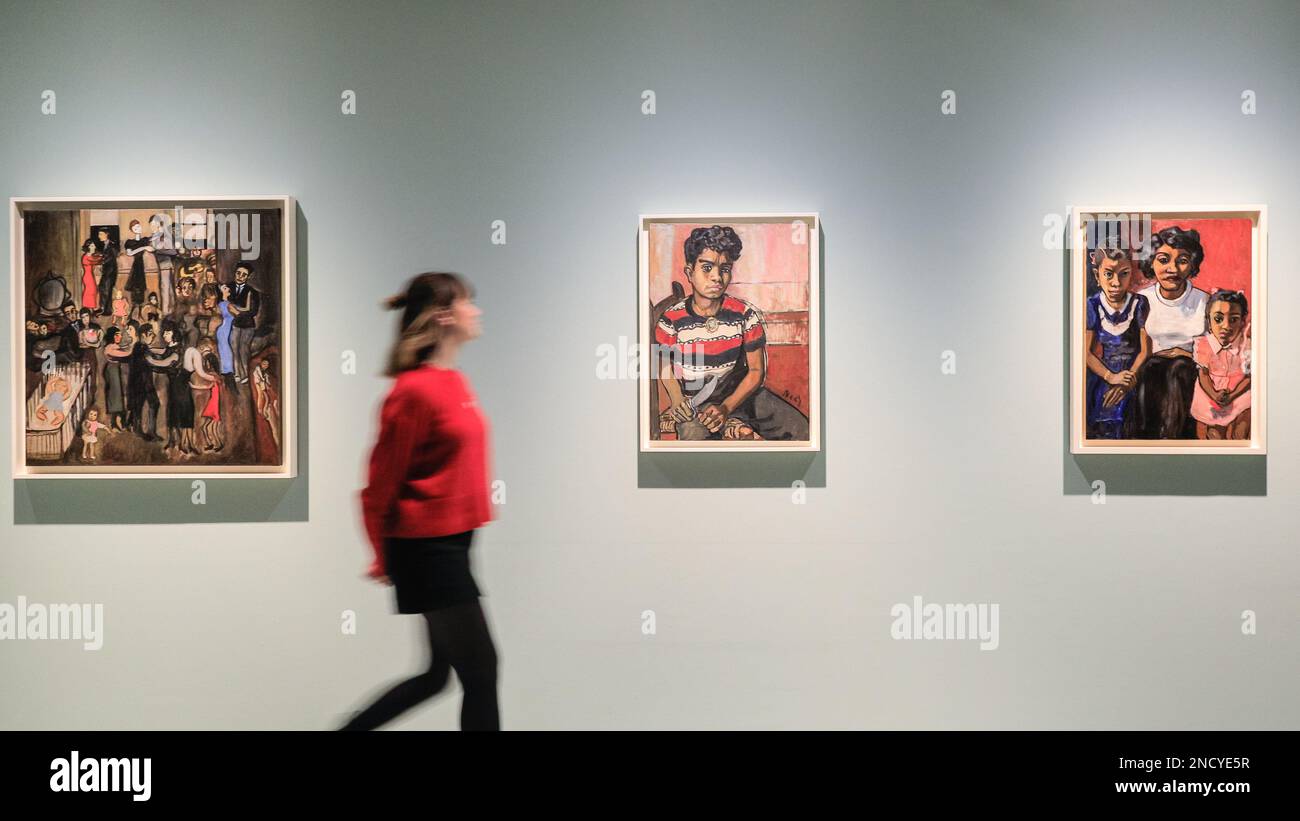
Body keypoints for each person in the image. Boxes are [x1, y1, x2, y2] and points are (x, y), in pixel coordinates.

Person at [341, 272, 498, 731]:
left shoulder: (453, 382)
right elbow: (378, 484)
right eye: (470, 302)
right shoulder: (412, 392)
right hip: (425, 549)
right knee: (482, 671)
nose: (477, 311)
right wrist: (379, 554)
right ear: (445, 316)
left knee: (437, 676)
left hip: (453, 544)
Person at [654, 225, 810, 441]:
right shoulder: (671, 320)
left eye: (724, 269)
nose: (717, 277)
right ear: (690, 273)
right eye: (707, 268)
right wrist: (677, 398)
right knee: (696, 444)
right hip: (696, 400)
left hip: (743, 395)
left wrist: (726, 407)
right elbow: (663, 367)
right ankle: (730, 428)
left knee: (801, 429)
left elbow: (756, 371)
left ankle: (736, 422)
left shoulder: (745, 315)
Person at [1127, 226, 1210, 439]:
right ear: (1151, 263)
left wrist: (1182, 354)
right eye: (1163, 260)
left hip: (1189, 372)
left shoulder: (1203, 301)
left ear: (1192, 264)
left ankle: (1172, 439)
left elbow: (1211, 349)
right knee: (1153, 368)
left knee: (1178, 369)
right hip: (1150, 371)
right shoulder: (1141, 299)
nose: (1172, 268)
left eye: (1182, 260)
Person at [1084, 247, 1150, 439]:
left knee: (1132, 415)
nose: (1116, 283)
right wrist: (1111, 377)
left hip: (1133, 373)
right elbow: (1085, 353)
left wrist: (1126, 382)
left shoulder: (1139, 304)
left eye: (1124, 274)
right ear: (1097, 275)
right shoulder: (1093, 305)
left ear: (1132, 273)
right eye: (1108, 274)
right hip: (1104, 374)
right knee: (1102, 410)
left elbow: (1145, 351)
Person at [1191, 290, 1251, 440]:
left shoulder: (1247, 345)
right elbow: (1203, 374)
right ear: (1209, 322)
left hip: (1239, 394)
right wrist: (1214, 394)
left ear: (1243, 322)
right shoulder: (1204, 344)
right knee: (1214, 433)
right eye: (1218, 319)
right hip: (1211, 395)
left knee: (1241, 429)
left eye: (1234, 320)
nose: (1226, 326)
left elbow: (1249, 377)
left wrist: (1232, 395)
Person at [227, 262, 261, 384]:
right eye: (238, 273)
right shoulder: (227, 288)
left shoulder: (253, 292)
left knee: (243, 349)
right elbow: (226, 305)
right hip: (234, 324)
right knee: (234, 348)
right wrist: (236, 311)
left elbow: (253, 311)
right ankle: (237, 373)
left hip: (247, 326)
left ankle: (245, 374)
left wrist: (237, 311)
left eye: (244, 275)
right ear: (235, 272)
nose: (240, 276)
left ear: (248, 277)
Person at [123, 220, 151, 322]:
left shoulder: (145, 240)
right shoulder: (130, 242)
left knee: (141, 290)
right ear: (132, 230)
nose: (138, 229)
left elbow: (152, 248)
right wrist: (143, 248)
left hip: (142, 266)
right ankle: (131, 314)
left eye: (138, 226)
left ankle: (139, 313)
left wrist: (146, 246)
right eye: (135, 228)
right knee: (135, 289)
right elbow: (130, 253)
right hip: (136, 267)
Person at [95, 228, 119, 317]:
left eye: (101, 234)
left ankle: (106, 310)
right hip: (106, 272)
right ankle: (103, 308)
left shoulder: (112, 245)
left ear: (106, 234)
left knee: (106, 290)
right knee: (103, 289)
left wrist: (102, 260)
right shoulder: (105, 245)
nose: (99, 236)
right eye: (99, 234)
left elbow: (112, 257)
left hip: (111, 272)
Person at [80, 240, 104, 311]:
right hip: (87, 276)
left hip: (90, 275)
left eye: (94, 246)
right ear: (88, 247)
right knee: (90, 291)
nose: (95, 247)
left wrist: (100, 256)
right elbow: (95, 260)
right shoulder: (87, 256)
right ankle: (88, 307)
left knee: (93, 291)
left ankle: (91, 307)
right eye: (92, 246)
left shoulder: (90, 255)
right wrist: (102, 256)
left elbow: (96, 259)